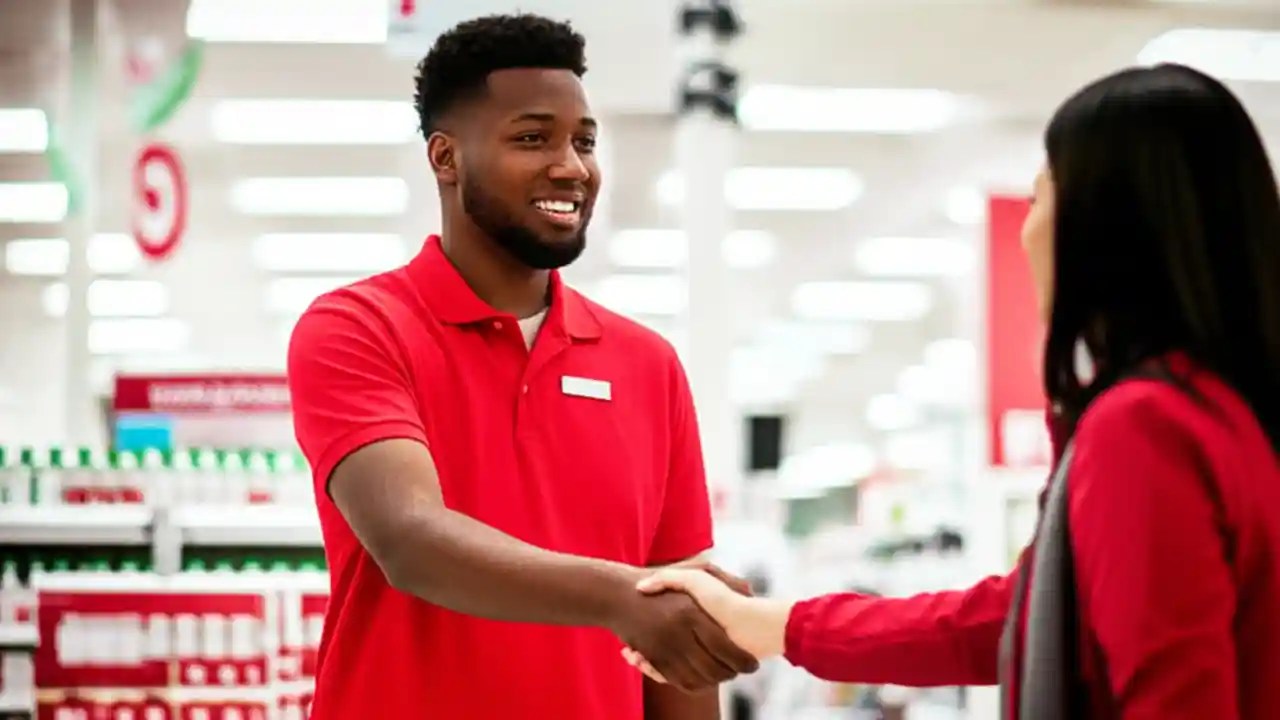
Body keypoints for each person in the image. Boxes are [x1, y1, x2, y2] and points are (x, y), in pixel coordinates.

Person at [626, 63, 1280, 719]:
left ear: (1102, 227)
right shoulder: (1229, 416)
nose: (1028, 230)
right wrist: (767, 624)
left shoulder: (1143, 427)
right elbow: (1009, 619)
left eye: (1038, 198)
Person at [286, 13, 756, 720]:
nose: (570, 166)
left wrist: (655, 609)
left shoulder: (647, 367)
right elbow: (411, 541)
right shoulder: (358, 329)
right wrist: (618, 599)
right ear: (445, 158)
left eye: (584, 141)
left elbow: (675, 636)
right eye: (532, 138)